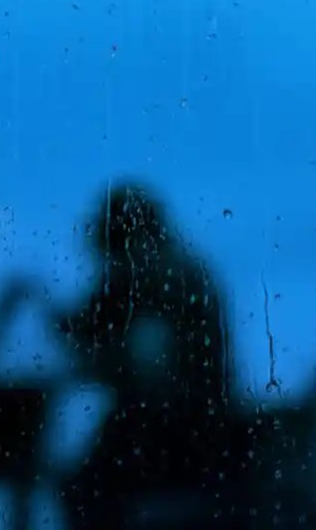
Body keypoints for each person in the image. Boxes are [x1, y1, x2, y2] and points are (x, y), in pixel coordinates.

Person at [58, 181, 233, 528]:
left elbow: (144, 363)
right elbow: (93, 322)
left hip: (171, 422)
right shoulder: (170, 267)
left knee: (84, 492)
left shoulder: (153, 274)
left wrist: (84, 358)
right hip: (191, 418)